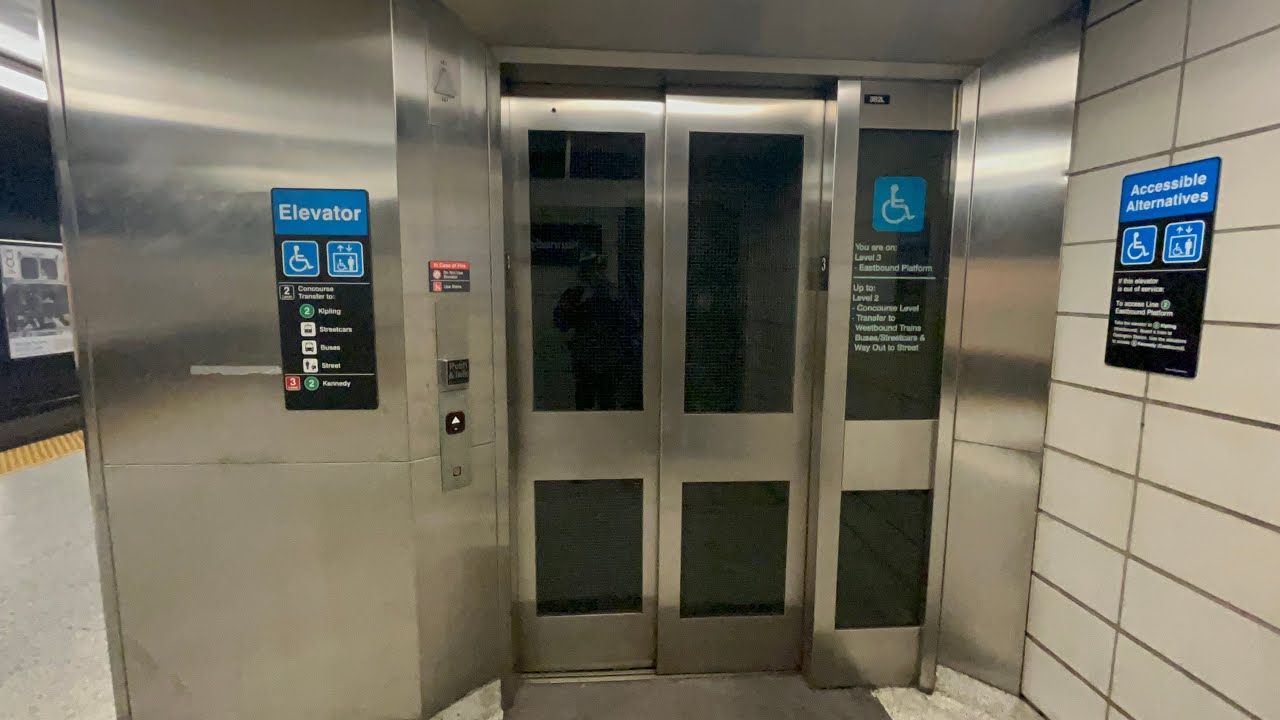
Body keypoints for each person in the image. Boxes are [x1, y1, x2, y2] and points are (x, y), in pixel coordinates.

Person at [554, 253, 623, 410]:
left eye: (599, 269)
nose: (596, 274)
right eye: (592, 269)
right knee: (585, 404)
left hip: (609, 361)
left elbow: (628, 323)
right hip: (585, 361)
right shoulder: (576, 294)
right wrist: (580, 303)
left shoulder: (612, 293)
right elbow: (561, 322)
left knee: (607, 405)